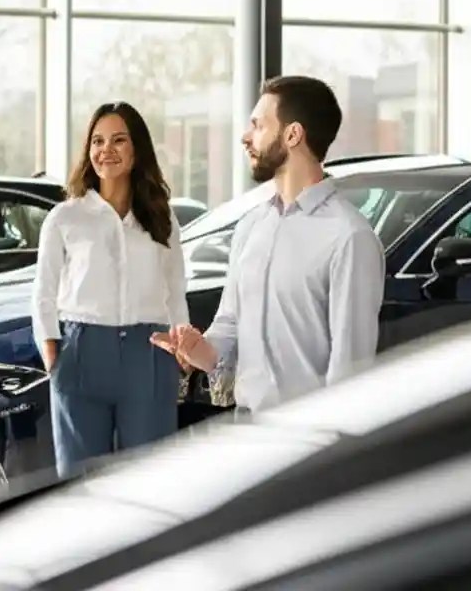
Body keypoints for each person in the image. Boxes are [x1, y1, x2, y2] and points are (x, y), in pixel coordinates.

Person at [151, 75, 384, 414]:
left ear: (293, 134)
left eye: (258, 126)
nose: (246, 137)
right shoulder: (251, 226)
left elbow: (350, 368)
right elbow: (229, 326)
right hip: (249, 433)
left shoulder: (350, 237)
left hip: (309, 439)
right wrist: (194, 350)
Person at [33, 101, 189, 476]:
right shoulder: (65, 217)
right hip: (82, 352)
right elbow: (44, 292)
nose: (107, 150)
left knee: (150, 476)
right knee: (80, 483)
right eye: (98, 141)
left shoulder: (161, 217)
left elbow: (175, 288)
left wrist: (182, 350)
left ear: (137, 150)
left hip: (149, 353)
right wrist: (53, 353)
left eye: (119, 140)